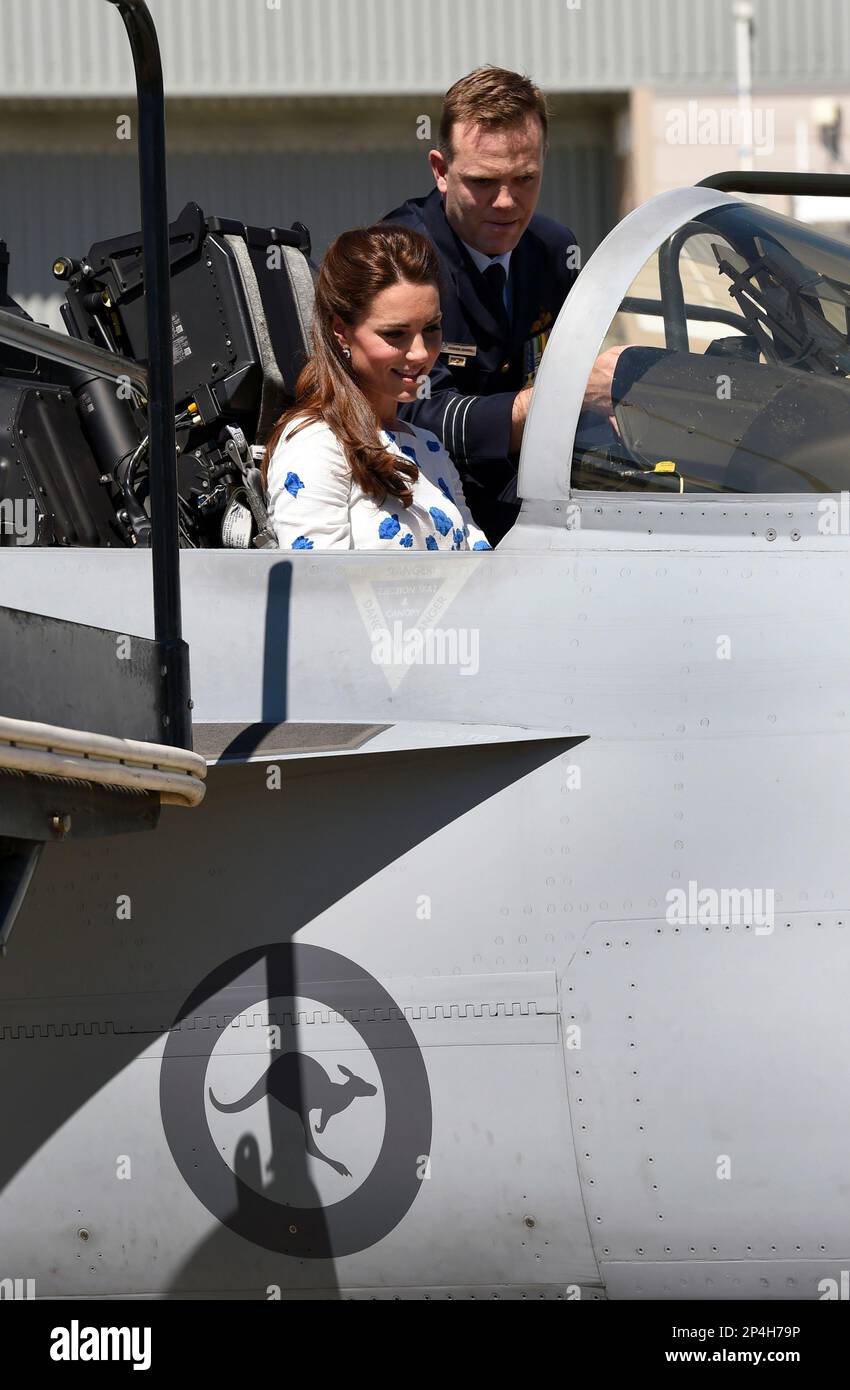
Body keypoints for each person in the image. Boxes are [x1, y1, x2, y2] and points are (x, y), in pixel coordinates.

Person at [384, 65, 625, 545]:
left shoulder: (555, 251)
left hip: (534, 496)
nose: (506, 202)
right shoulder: (400, 259)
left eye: (525, 178)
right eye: (483, 181)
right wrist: (556, 401)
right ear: (440, 172)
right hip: (428, 506)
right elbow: (407, 417)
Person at [262, 223, 491, 552]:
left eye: (432, 328)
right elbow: (316, 590)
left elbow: (480, 568)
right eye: (395, 334)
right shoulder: (314, 444)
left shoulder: (428, 447)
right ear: (340, 331)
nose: (420, 352)